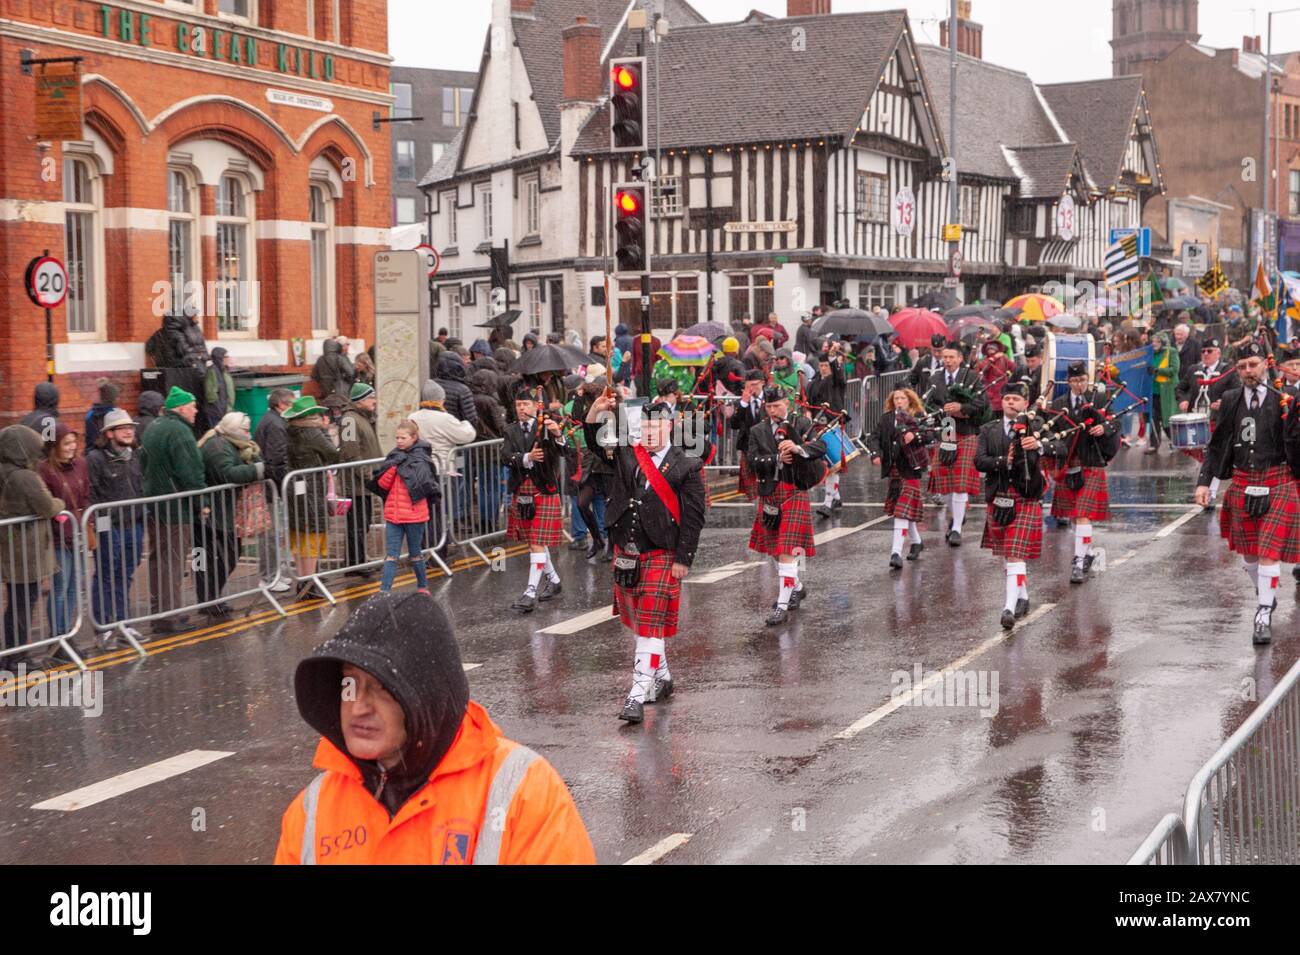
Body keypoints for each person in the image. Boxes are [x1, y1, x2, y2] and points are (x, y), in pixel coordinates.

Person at [275, 592, 595, 864]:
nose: (358, 706)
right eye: (350, 684)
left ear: (427, 694)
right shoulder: (313, 809)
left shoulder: (524, 791)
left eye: (382, 687)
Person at [585, 395, 706, 724]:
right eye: (646, 427)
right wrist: (598, 409)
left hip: (662, 554)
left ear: (671, 427)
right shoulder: (628, 453)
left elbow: (694, 518)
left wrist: (684, 558)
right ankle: (662, 678)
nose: (650, 433)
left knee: (649, 627)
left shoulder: (686, 465)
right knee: (642, 626)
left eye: (657, 426)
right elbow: (594, 442)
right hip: (628, 553)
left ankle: (637, 694)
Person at [1195, 342, 1300, 645]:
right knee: (1250, 556)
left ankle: (1263, 612)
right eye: (1242, 367)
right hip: (1243, 480)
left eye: (1253, 365)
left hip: (1278, 479)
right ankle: (1265, 592)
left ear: (1266, 365)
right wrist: (1205, 481)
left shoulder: (1287, 399)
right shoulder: (1230, 399)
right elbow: (1218, 443)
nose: (1248, 371)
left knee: (1268, 552)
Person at [974, 381, 1060, 630]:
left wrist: (1040, 445)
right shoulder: (988, 430)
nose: (1010, 402)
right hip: (998, 495)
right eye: (1007, 398)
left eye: (1016, 399)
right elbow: (979, 461)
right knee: (1009, 555)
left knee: (1015, 553)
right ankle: (1021, 595)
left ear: (1025, 404)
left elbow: (1061, 447)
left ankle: (1008, 608)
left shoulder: (1037, 426)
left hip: (1025, 496)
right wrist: (1004, 460)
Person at [745, 386, 827, 627]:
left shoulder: (800, 424)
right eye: (769, 407)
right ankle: (798, 588)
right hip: (770, 494)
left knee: (786, 550)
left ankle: (781, 606)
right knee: (774, 551)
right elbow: (751, 462)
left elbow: (820, 447)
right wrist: (777, 459)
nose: (773, 410)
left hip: (793, 492)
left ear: (786, 403)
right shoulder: (757, 430)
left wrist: (797, 448)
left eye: (777, 405)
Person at [1045, 362, 1121, 584]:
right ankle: (1086, 553)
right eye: (1075, 381)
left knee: (1082, 513)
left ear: (1088, 378)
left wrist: (1104, 428)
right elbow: (1050, 432)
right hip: (1069, 463)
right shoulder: (1059, 404)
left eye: (1083, 380)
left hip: (1091, 462)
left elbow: (1116, 423)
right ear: (1068, 382)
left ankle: (1078, 562)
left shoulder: (1099, 399)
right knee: (1077, 516)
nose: (1080, 384)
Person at [141, 386, 207, 635]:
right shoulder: (179, 431)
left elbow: (144, 463)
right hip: (175, 508)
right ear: (181, 408)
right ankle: (171, 616)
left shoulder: (154, 426)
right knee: (173, 563)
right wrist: (202, 502)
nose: (196, 410)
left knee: (159, 561)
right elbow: (190, 470)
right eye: (192, 406)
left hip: (155, 504)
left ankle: (160, 613)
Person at [503, 385, 571, 612]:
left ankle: (530, 592)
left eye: (526, 404)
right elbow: (505, 456)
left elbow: (564, 451)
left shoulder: (546, 426)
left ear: (535, 406)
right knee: (535, 541)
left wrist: (558, 434)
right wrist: (526, 457)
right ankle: (554, 580)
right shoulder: (510, 430)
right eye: (518, 405)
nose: (521, 408)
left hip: (544, 489)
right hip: (521, 491)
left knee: (536, 541)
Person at [0, 426, 65, 658]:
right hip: (26, 548)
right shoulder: (25, 477)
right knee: (24, 602)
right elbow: (47, 506)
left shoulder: (5, 472)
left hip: (11, 544)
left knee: (17, 602)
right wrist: (60, 503)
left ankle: (13, 654)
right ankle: (17, 656)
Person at [195, 412, 265, 616]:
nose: (249, 433)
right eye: (245, 429)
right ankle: (207, 599)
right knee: (213, 557)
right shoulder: (218, 447)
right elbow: (228, 474)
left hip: (221, 510)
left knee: (223, 555)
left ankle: (210, 598)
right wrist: (258, 469)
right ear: (233, 430)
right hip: (211, 512)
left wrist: (256, 461)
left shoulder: (234, 443)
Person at [87, 409, 145, 634]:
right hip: (109, 526)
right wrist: (99, 524)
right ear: (109, 433)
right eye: (123, 428)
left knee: (126, 573)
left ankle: (123, 622)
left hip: (134, 523)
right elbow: (92, 494)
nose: (129, 431)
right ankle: (103, 626)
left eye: (130, 427)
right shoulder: (96, 458)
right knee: (105, 574)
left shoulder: (136, 455)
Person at [924, 345, 989, 545]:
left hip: (968, 431)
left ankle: (956, 529)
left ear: (960, 358)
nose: (948, 360)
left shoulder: (972, 377)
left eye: (951, 357)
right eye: (945, 357)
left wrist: (962, 408)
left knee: (960, 481)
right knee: (949, 480)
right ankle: (957, 517)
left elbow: (982, 403)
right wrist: (942, 410)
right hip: (946, 430)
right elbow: (928, 404)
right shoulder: (934, 379)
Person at [409, 381, 477, 558]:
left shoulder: (413, 417)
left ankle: (425, 548)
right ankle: (439, 550)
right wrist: (466, 423)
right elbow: (466, 435)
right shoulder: (445, 418)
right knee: (440, 511)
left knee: (424, 510)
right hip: (442, 470)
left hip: (419, 471)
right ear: (440, 400)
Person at [371, 422, 439, 595]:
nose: (399, 441)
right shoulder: (395, 456)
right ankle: (384, 591)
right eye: (397, 438)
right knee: (391, 555)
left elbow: (423, 485)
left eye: (403, 438)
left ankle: (422, 587)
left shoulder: (421, 458)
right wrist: (394, 467)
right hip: (394, 514)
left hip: (414, 515)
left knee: (415, 553)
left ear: (414, 438)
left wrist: (404, 468)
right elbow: (382, 484)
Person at [284, 396, 340, 600]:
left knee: (300, 536)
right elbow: (333, 454)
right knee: (311, 537)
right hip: (312, 489)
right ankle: (309, 584)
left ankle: (303, 582)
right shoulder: (312, 433)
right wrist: (325, 431)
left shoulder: (291, 431)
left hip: (295, 489)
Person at [867, 388, 930, 568]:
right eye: (896, 398)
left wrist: (915, 435)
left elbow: (931, 435)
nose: (899, 401)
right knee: (903, 511)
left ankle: (896, 553)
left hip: (911, 469)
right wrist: (875, 454)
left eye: (902, 398)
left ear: (909, 400)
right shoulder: (886, 418)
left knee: (901, 512)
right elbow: (874, 437)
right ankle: (916, 541)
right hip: (894, 470)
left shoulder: (918, 416)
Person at [38, 425, 89, 638]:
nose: (71, 447)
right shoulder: (45, 470)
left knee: (74, 587)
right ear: (54, 446)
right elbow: (46, 503)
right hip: (58, 538)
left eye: (73, 443)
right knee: (60, 586)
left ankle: (67, 633)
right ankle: (57, 636)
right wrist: (58, 518)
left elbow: (87, 493)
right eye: (66, 443)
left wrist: (89, 519)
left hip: (78, 534)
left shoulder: (81, 464)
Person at [1176, 338, 1239, 507]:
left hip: (1216, 421)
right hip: (1196, 420)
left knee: (1214, 455)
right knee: (1204, 457)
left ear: (1218, 353)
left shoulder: (1228, 371)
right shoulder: (1193, 370)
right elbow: (1180, 388)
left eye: (1209, 351)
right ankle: (1206, 486)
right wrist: (1182, 400)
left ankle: (1209, 492)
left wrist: (1223, 402)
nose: (1205, 354)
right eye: (1203, 351)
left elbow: (1236, 392)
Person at [338, 382, 382, 575]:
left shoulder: (362, 418)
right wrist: (367, 477)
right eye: (371, 398)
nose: (375, 401)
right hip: (356, 483)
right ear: (361, 401)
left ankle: (355, 561)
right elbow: (351, 452)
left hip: (363, 481)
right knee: (357, 524)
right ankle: (356, 563)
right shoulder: (349, 420)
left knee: (362, 523)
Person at [808, 347, 849, 517]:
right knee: (825, 464)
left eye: (826, 365)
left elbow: (839, 376)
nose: (824, 368)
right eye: (822, 365)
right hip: (818, 425)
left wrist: (833, 358)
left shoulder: (836, 381)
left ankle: (828, 502)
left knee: (834, 464)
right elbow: (810, 402)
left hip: (834, 424)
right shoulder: (814, 382)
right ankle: (836, 497)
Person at [729, 370, 767, 501]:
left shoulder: (770, 398)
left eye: (754, 384)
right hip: (748, 449)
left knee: (768, 486)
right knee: (753, 491)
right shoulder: (741, 403)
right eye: (748, 385)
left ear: (763, 383)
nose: (751, 389)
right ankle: (759, 515)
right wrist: (743, 404)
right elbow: (734, 424)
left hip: (768, 449)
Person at [1147, 332, 1180, 453]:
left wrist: (1157, 370)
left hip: (1167, 391)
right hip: (1153, 391)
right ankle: (1154, 444)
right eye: (1153, 341)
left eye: (1157, 341)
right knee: (1153, 418)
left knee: (1167, 418)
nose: (1154, 344)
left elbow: (1174, 369)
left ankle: (1175, 441)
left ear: (1164, 342)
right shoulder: (1150, 354)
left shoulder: (1171, 352)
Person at [434, 351, 479, 427]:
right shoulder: (463, 389)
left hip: (435, 429)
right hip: (455, 430)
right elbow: (471, 419)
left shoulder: (431, 384)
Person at [83, 379, 120, 453]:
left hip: (93, 453)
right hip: (113, 454)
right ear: (113, 398)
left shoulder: (90, 414)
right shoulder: (117, 414)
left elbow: (89, 439)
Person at [203, 347, 237, 428]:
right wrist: (220, 410)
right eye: (226, 357)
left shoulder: (224, 370)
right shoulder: (212, 371)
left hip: (226, 411)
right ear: (220, 357)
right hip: (217, 413)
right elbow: (211, 394)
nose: (228, 359)